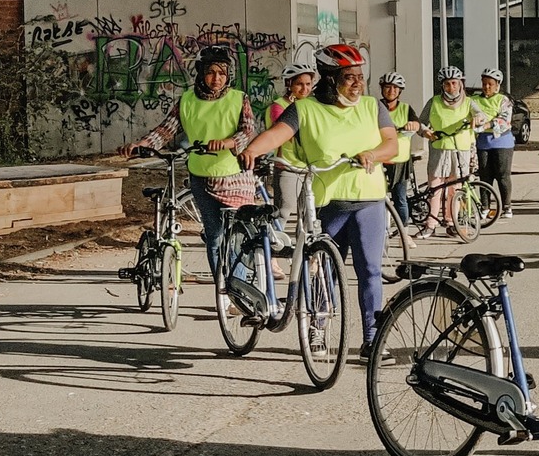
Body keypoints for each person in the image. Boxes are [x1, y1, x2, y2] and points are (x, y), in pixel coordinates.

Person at [243, 43, 402, 357]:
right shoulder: (305, 108)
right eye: (349, 77)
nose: (358, 83)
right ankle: (318, 327)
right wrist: (252, 150)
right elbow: (277, 133)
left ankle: (372, 339)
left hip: (368, 200)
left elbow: (392, 143)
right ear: (330, 79)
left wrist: (373, 153)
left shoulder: (372, 106)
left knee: (369, 270)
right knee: (323, 268)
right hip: (327, 203)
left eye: (360, 76)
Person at [122, 44, 259, 279]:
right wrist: (142, 145)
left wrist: (227, 142)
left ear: (229, 76)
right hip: (201, 177)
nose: (216, 78)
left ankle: (240, 287)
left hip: (234, 177)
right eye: (211, 72)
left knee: (236, 237)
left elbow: (248, 131)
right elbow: (166, 130)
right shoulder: (186, 100)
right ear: (201, 72)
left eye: (222, 73)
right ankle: (223, 291)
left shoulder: (239, 99)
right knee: (214, 237)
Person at [419, 65, 478, 236]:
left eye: (454, 83)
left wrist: (478, 118)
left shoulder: (468, 102)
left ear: (460, 84)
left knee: (455, 189)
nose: (451, 87)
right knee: (435, 188)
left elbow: (480, 115)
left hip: (461, 150)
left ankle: (452, 223)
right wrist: (425, 132)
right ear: (442, 86)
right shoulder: (434, 101)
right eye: (447, 84)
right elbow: (420, 122)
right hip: (439, 149)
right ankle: (430, 224)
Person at [267, 51, 317, 247]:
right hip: (287, 166)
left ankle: (306, 253)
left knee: (309, 213)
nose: (304, 88)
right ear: (289, 85)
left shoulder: (313, 105)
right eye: (299, 84)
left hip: (310, 166)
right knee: (284, 210)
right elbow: (289, 132)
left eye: (308, 84)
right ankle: (272, 253)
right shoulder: (278, 106)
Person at [378, 72, 422, 228]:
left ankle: (404, 232)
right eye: (388, 87)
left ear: (400, 91)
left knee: (400, 198)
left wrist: (413, 125)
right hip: (380, 158)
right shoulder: (375, 106)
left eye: (395, 88)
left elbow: (417, 124)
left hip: (400, 161)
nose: (391, 91)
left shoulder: (406, 108)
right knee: (377, 197)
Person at [471, 68, 516, 218]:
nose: (487, 87)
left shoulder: (503, 100)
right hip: (482, 142)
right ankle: (485, 207)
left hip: (502, 142)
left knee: (502, 175)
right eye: (484, 84)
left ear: (497, 85)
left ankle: (506, 206)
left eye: (490, 84)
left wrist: (487, 125)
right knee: (485, 176)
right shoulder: (475, 100)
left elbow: (504, 119)